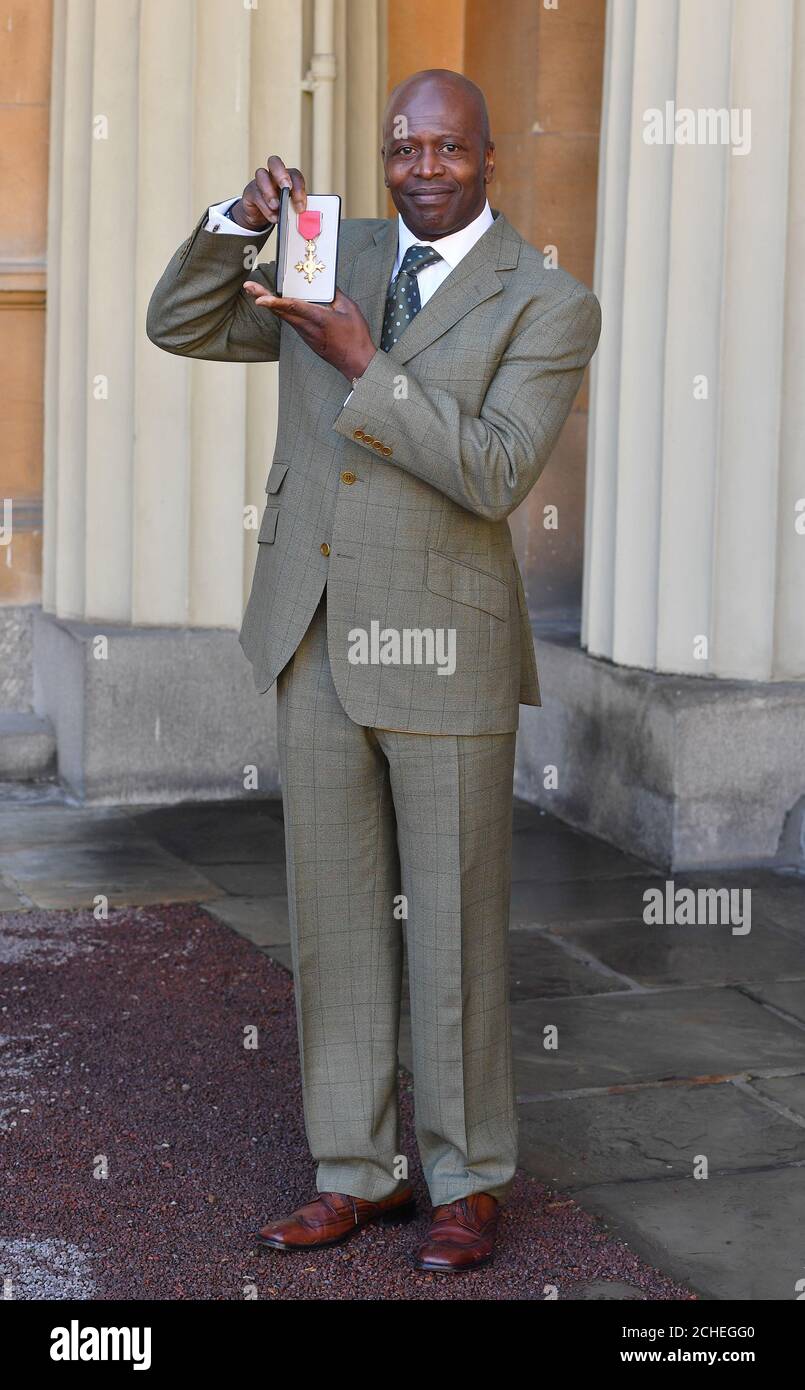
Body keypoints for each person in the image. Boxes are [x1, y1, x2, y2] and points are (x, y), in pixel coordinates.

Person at [147, 67, 601, 1274]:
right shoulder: (321, 251)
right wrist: (236, 225)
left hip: (445, 643)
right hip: (311, 626)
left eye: (446, 149)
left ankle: (465, 1181)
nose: (421, 169)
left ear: (488, 158)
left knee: (452, 928)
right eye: (402, 147)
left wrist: (363, 361)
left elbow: (497, 470)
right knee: (336, 919)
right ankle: (354, 1171)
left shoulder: (548, 301)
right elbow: (180, 323)